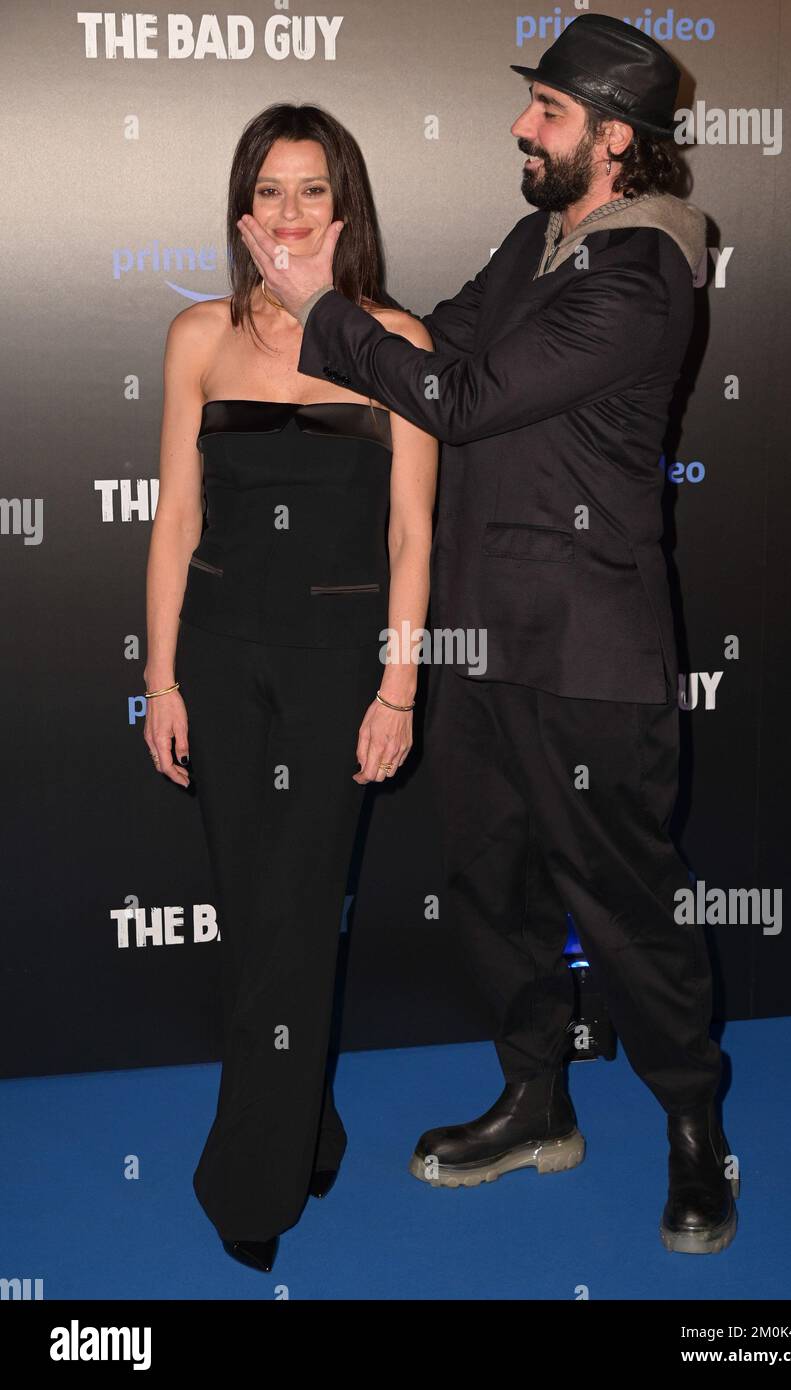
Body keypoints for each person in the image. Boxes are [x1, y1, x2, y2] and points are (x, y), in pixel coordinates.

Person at [238, 12, 738, 1256]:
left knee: (624, 905)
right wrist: (317, 300)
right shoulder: (538, 240)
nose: (523, 127)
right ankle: (534, 1101)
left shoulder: (639, 274)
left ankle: (691, 1131)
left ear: (613, 139)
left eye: (549, 114)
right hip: (472, 645)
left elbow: (453, 401)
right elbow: (434, 343)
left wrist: (313, 311)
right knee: (488, 892)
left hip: (588, 657)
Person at [143, 103, 438, 1273]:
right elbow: (177, 518)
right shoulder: (197, 337)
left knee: (294, 913)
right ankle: (309, 1124)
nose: (289, 211)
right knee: (254, 904)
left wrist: (398, 687)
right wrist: (158, 674)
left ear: (346, 205)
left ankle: (250, 1179)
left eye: (311, 189)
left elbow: (414, 534)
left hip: (333, 673)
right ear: (241, 208)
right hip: (217, 659)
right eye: (269, 190)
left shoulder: (392, 341)